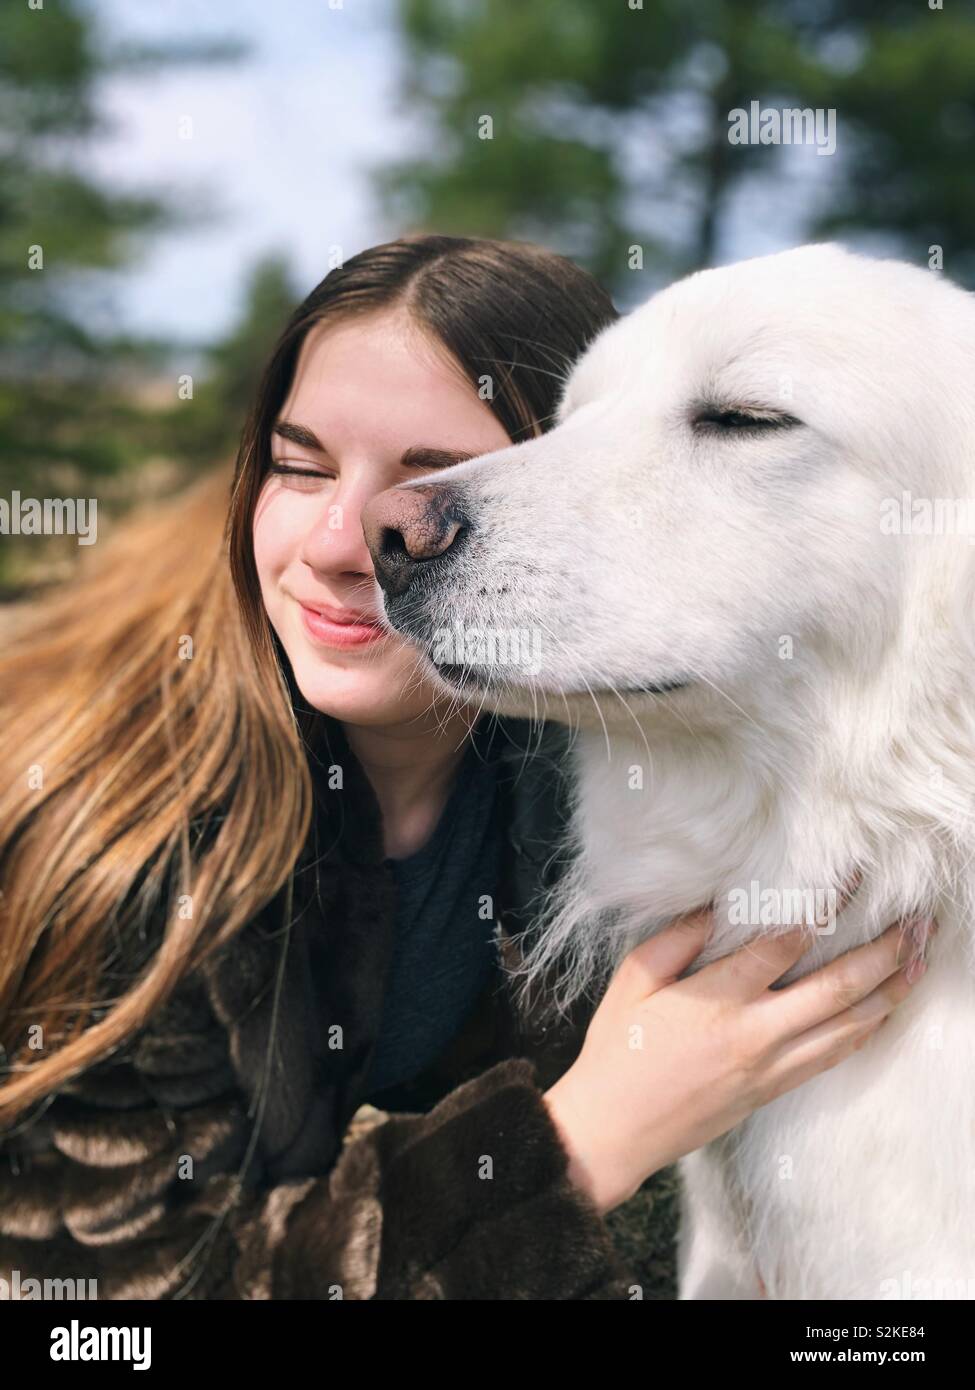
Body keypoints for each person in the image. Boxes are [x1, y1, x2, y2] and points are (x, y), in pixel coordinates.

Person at [0, 235, 926, 1300]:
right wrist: (583, 1139)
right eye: (299, 467)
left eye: (432, 482)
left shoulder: (644, 779)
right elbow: (111, 1306)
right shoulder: (112, 830)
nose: (347, 540)